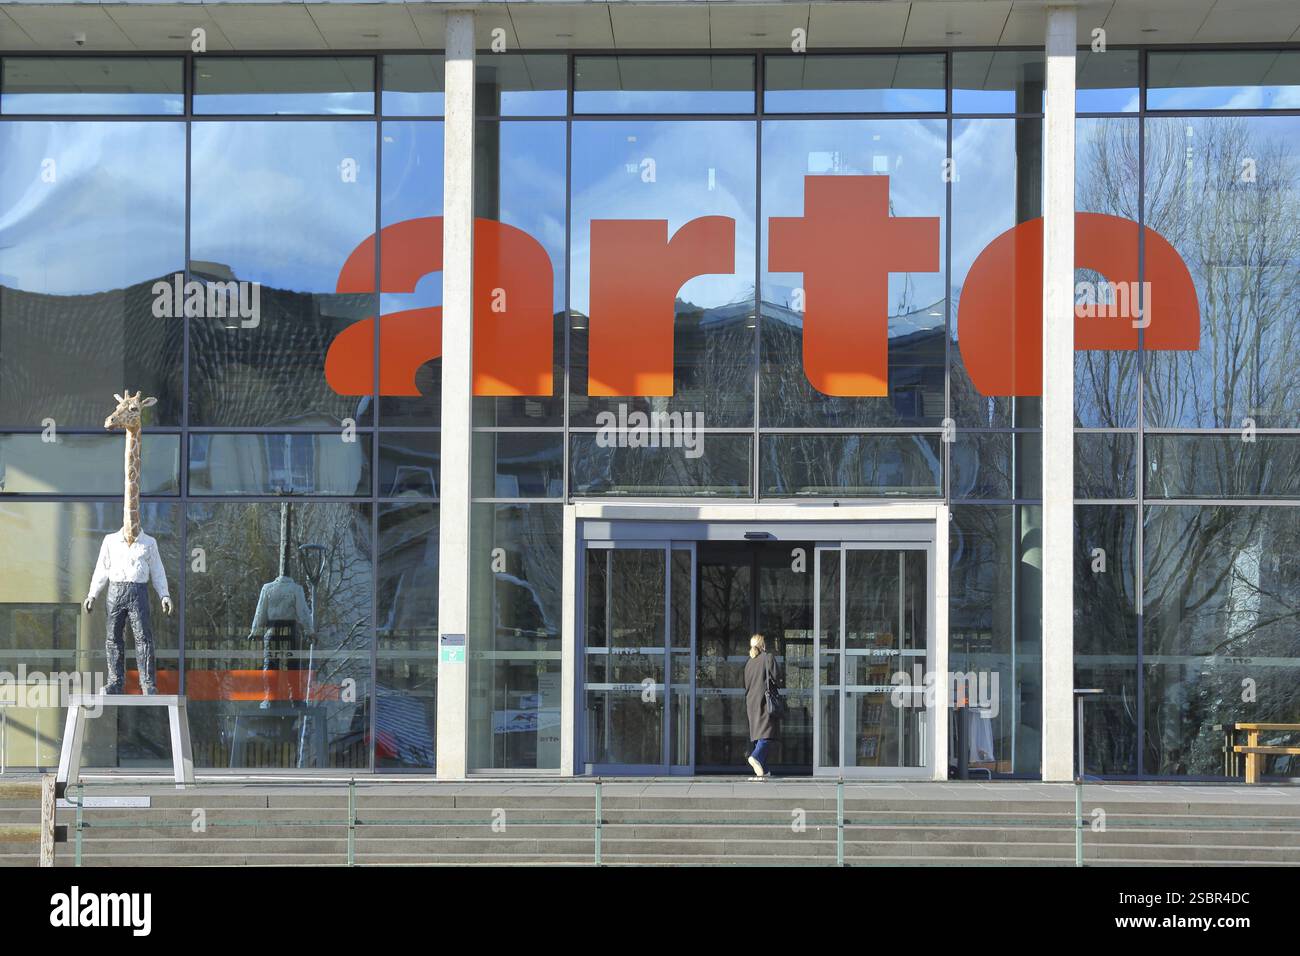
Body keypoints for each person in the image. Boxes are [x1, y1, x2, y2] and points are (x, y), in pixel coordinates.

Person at [743, 633, 780, 779]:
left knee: (760, 734)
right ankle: (756, 757)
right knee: (767, 733)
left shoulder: (748, 663)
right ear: (763, 645)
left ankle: (764, 770)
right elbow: (777, 677)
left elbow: (745, 684)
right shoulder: (767, 657)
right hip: (764, 702)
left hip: (751, 703)